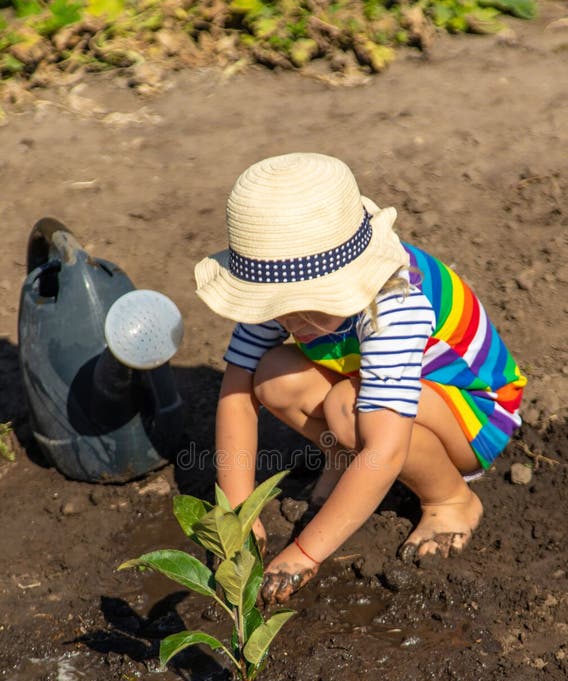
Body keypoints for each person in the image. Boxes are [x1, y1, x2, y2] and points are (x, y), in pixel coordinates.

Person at [194, 152, 526, 604]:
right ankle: (350, 459)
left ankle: (449, 501)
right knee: (273, 377)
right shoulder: (278, 282)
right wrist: (237, 512)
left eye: (312, 304)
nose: (295, 320)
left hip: (475, 413)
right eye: (279, 309)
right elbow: (236, 395)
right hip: (382, 394)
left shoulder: (394, 300)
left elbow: (386, 450)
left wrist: (304, 553)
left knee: (351, 414)